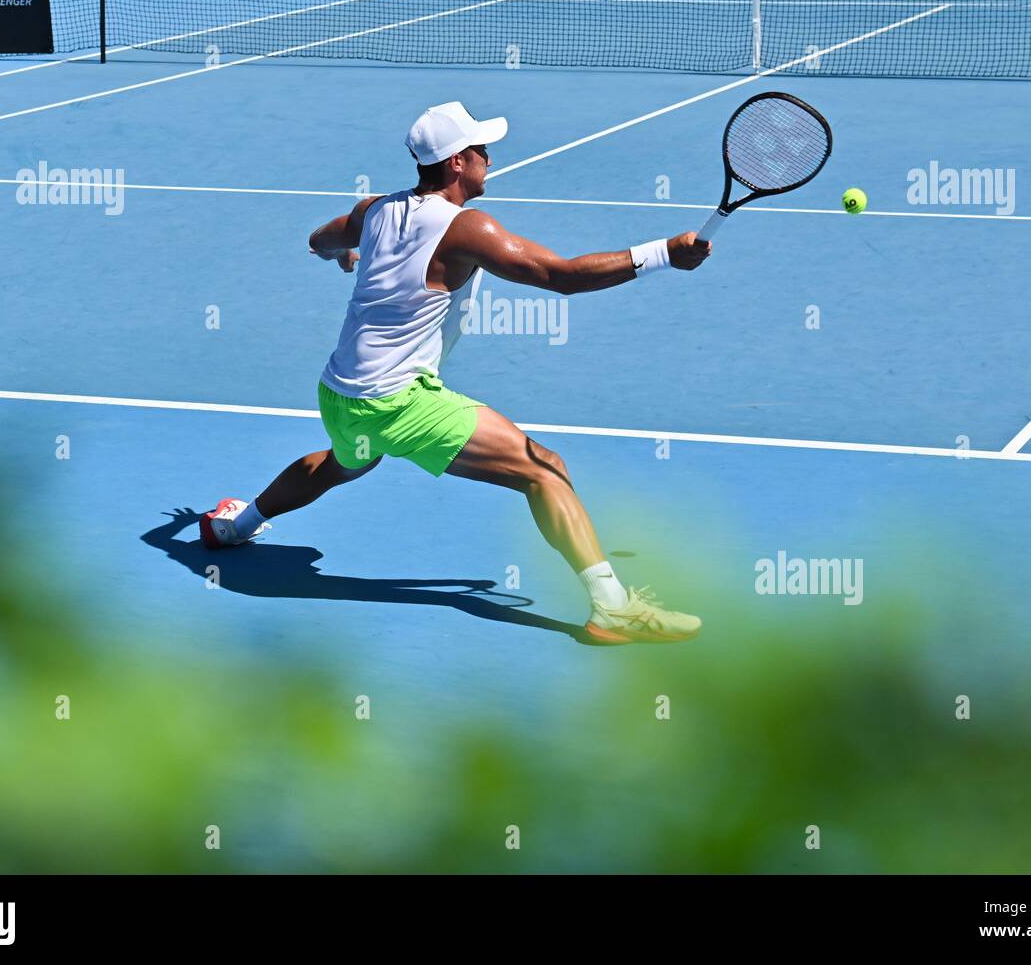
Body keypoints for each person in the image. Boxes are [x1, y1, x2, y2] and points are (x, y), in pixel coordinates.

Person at [199, 103, 709, 645]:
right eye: (482, 150)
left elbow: (318, 240)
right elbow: (558, 276)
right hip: (398, 401)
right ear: (459, 162)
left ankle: (234, 526)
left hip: (341, 393)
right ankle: (613, 609)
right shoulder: (466, 229)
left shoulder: (374, 211)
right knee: (545, 470)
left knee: (341, 465)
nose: (490, 157)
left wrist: (346, 256)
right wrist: (661, 254)